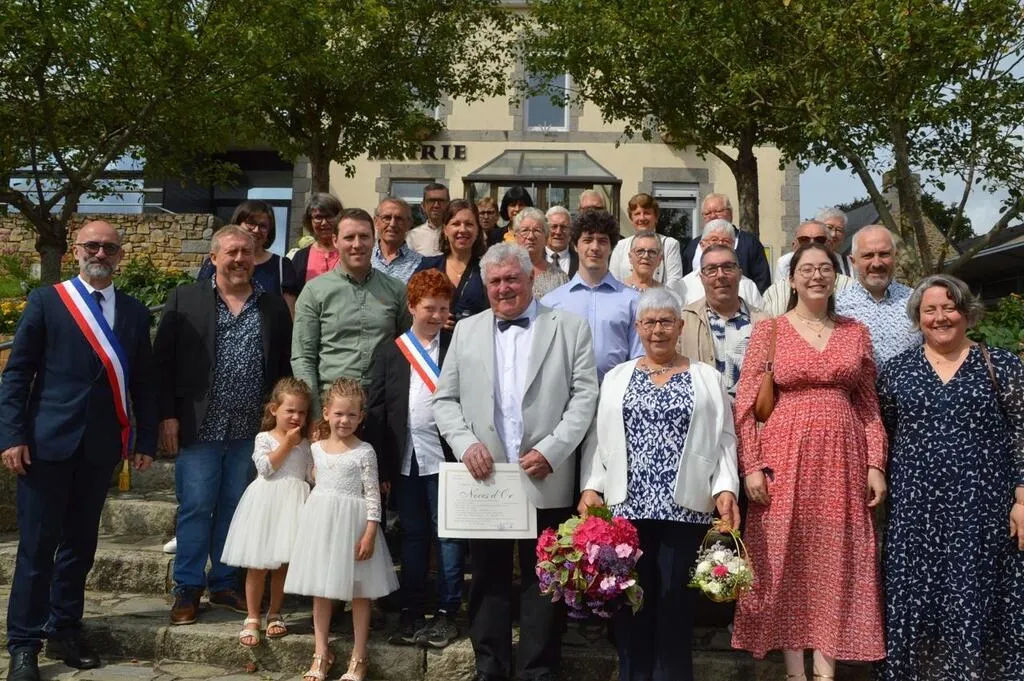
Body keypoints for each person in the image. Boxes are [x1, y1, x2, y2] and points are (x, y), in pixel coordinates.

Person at [433, 243, 599, 681]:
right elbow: (444, 401)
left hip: (546, 475)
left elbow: (585, 397)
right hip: (485, 482)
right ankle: (490, 668)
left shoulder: (571, 327)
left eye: (511, 279)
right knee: (486, 578)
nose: (503, 288)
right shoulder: (465, 332)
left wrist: (553, 449)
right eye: (494, 282)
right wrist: (466, 443)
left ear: (530, 279)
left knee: (544, 580)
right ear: (484, 286)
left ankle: (537, 672)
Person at [0, 220, 157, 681]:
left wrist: (143, 439)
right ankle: (24, 645)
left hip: (99, 448)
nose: (101, 254)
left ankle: (64, 628)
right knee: (35, 548)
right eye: (93, 245)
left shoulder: (132, 311)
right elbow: (17, 374)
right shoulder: (48, 301)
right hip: (45, 445)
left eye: (110, 247)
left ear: (120, 255)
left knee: (80, 548)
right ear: (75, 250)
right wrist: (12, 436)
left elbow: (144, 382)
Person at [731, 242, 887, 679]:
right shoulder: (771, 331)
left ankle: (826, 668)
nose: (816, 275)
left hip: (844, 459)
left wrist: (875, 463)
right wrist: (751, 465)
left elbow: (869, 405)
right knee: (784, 556)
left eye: (825, 268)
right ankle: (795, 672)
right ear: (792, 278)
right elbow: (745, 405)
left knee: (838, 558)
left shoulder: (856, 331)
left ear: (836, 277)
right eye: (807, 269)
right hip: (784, 454)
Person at [579, 287, 740, 681]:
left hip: (685, 509)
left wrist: (725, 488)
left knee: (674, 606)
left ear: (680, 326)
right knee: (630, 605)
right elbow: (599, 438)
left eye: (666, 321)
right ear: (638, 327)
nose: (657, 330)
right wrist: (590, 487)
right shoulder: (617, 377)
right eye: (649, 322)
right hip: (625, 511)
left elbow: (724, 438)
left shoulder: (707, 378)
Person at [876, 275, 1024, 681]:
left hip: (982, 513)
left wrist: (1022, 500)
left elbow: (1021, 432)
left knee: (976, 597)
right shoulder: (896, 372)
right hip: (916, 514)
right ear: (918, 317)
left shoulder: (1002, 365)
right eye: (930, 310)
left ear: (967, 312)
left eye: (949, 307)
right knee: (918, 603)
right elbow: (884, 431)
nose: (941, 317)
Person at [153, 225, 293, 627]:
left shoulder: (271, 306)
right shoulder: (185, 299)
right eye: (231, 252)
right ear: (213, 257)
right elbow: (161, 364)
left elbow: (281, 367)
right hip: (201, 427)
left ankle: (225, 581)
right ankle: (187, 587)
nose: (239, 260)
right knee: (196, 507)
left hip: (251, 432)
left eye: (246, 253)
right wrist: (167, 415)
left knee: (236, 507)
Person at [368, 270, 465, 649]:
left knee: (449, 536)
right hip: (405, 462)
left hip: (447, 460)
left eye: (444, 308)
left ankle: (447, 611)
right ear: (411, 306)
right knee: (412, 536)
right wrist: (382, 466)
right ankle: (410, 609)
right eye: (429, 308)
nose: (437, 316)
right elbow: (376, 410)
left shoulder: (457, 344)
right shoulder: (391, 350)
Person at [284, 379, 398, 681]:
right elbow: (313, 479)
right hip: (321, 524)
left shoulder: (365, 452)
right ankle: (321, 653)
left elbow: (373, 494)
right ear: (326, 413)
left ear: (361, 417)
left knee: (359, 592)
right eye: (338, 414)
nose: (344, 421)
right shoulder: (316, 449)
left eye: (351, 415)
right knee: (321, 591)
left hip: (355, 525)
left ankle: (359, 657)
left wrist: (370, 532)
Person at [220, 378, 313, 648]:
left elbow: (309, 474)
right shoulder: (264, 438)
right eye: (290, 410)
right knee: (258, 565)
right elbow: (266, 469)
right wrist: (288, 443)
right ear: (274, 409)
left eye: (302, 412)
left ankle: (275, 612)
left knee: (283, 564)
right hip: (266, 504)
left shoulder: (306, 444)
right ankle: (252, 616)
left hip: (294, 504)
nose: (296, 417)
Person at [292, 208, 411, 414]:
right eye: (349, 237)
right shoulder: (314, 291)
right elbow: (303, 357)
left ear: (374, 240)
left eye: (364, 236)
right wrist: (314, 413)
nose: (357, 244)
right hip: (332, 408)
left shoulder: (397, 290)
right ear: (335, 240)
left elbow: (409, 348)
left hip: (381, 406)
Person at [542, 209, 643, 382]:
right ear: (575, 245)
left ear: (611, 247)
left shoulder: (633, 301)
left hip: (615, 397)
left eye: (602, 241)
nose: (595, 247)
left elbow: (638, 359)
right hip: (567, 396)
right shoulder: (551, 302)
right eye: (587, 240)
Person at [678, 244, 768, 396]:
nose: (720, 275)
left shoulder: (765, 322)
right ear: (702, 278)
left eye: (728, 267)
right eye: (712, 269)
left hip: (752, 417)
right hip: (704, 416)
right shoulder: (683, 322)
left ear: (740, 274)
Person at [836, 225, 920, 367]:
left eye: (884, 254)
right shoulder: (836, 305)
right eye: (868, 255)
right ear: (853, 261)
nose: (876, 263)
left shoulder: (917, 301)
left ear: (895, 256)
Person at [197, 200, 300, 315]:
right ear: (237, 224)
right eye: (251, 223)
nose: (256, 230)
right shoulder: (214, 263)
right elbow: (200, 301)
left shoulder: (282, 266)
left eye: (263, 226)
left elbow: (289, 314)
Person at [415, 199, 489, 338]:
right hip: (431, 348)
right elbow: (411, 308)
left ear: (477, 230)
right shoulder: (428, 267)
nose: (463, 229)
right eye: (455, 224)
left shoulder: (487, 270)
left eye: (469, 224)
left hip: (474, 345)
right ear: (445, 229)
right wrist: (433, 319)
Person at [759, 220, 855, 317]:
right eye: (804, 240)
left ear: (830, 245)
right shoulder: (774, 294)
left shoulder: (851, 287)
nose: (812, 245)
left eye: (819, 240)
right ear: (794, 246)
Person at [680, 193, 771, 292]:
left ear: (730, 213)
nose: (713, 216)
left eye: (718, 211)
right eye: (707, 213)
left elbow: (762, 282)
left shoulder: (749, 243)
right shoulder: (693, 246)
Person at [680, 220, 763, 308]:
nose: (720, 244)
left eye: (726, 241)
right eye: (714, 240)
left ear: (733, 246)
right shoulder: (685, 285)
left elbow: (760, 318)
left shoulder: (748, 286)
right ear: (702, 245)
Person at [609, 194, 683, 286]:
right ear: (631, 219)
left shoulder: (669, 244)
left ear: (656, 217)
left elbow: (674, 281)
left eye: (647, 213)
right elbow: (614, 279)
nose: (642, 218)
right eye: (637, 214)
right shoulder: (620, 245)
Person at [775, 207, 853, 282]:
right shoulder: (786, 262)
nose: (833, 234)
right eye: (829, 227)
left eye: (839, 230)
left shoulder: (847, 263)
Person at [287, 193, 343, 296]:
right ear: (309, 221)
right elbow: (292, 295)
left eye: (329, 216)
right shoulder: (300, 258)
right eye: (318, 217)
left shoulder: (349, 252)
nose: (324, 223)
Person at [513, 207, 568, 299]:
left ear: (546, 238)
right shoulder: (505, 272)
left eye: (537, 231)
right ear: (516, 237)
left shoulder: (560, 277)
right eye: (525, 230)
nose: (531, 236)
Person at [620, 231, 687, 300]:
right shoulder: (617, 290)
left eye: (652, 252)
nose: (646, 256)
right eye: (640, 251)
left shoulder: (668, 297)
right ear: (630, 257)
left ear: (659, 260)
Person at [371, 197, 422, 283]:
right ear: (376, 221)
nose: (392, 224)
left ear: (409, 223)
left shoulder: (420, 263)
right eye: (387, 218)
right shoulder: (363, 258)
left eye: (399, 219)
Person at [406, 183, 450, 256]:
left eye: (441, 201)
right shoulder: (412, 236)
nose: (436, 205)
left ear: (448, 204)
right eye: (431, 201)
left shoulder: (456, 233)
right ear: (423, 206)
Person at [545, 205, 578, 278]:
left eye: (563, 227)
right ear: (545, 229)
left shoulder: (581, 261)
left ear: (570, 231)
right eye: (554, 226)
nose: (558, 232)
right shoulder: (534, 259)